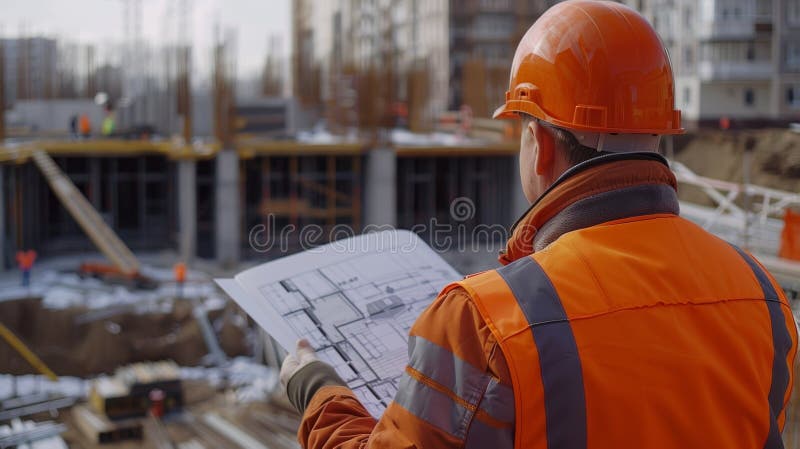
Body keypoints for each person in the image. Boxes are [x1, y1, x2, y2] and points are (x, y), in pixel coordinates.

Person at [280, 2, 798, 448]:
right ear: (658, 133)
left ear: (541, 145)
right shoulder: (763, 297)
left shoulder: (482, 323)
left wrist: (316, 390)